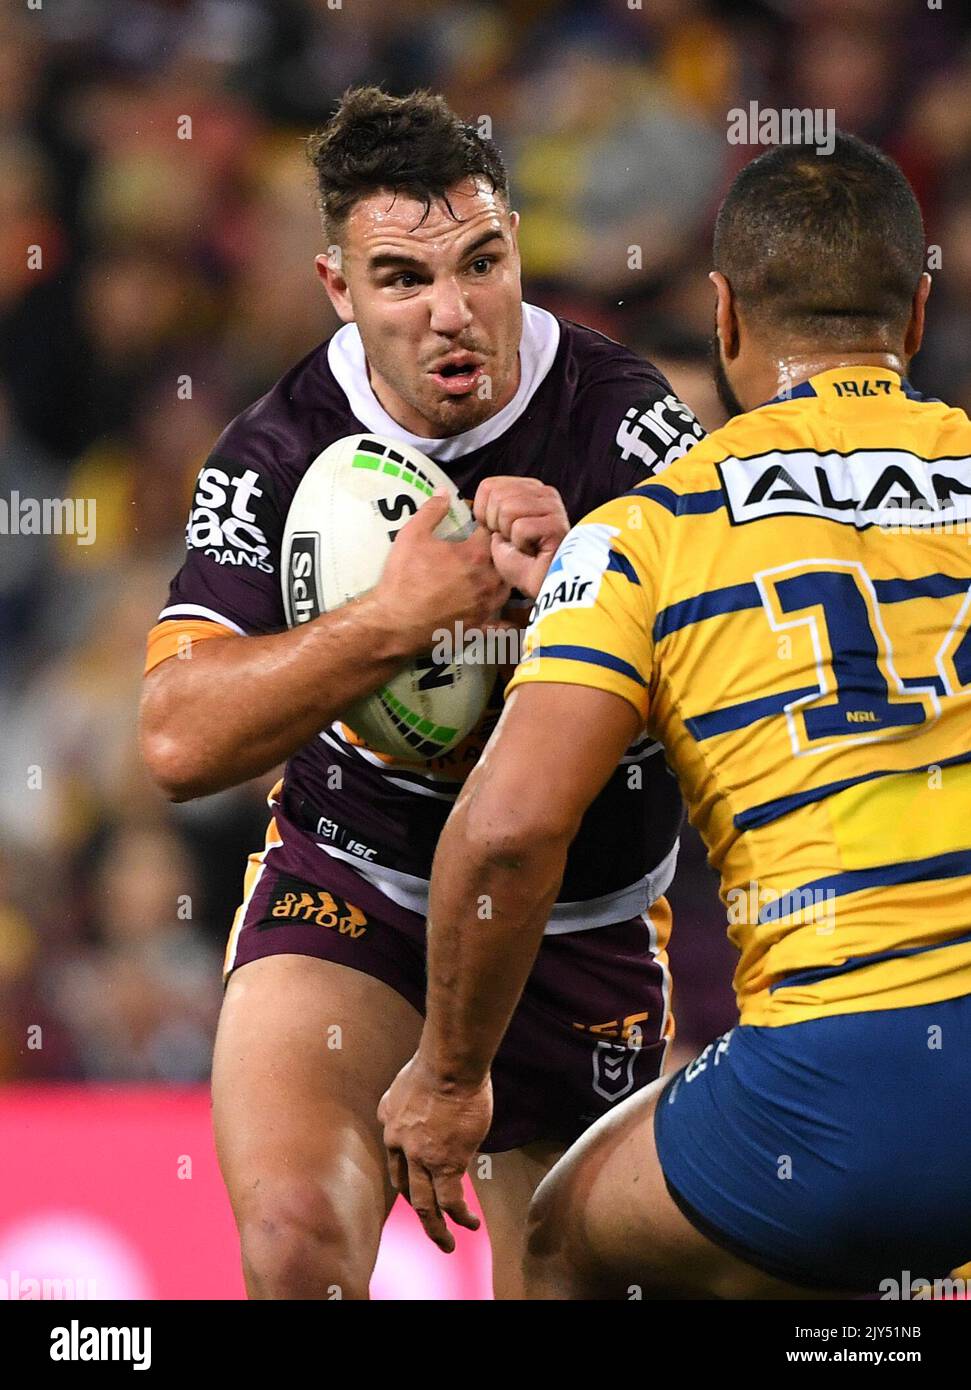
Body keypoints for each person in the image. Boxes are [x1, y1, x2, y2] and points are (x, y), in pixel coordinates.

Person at [379, 133, 971, 1298]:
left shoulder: (653, 530)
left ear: (723, 315)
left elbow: (508, 832)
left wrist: (448, 1082)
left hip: (830, 1082)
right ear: (912, 316)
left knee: (558, 1245)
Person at [138, 86, 705, 1299]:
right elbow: (178, 740)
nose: (453, 313)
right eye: (401, 278)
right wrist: (396, 617)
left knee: (570, 1283)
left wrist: (590, 593)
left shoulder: (629, 429)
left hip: (578, 917)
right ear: (337, 289)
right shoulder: (279, 446)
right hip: (361, 891)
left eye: (482, 263)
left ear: (514, 252)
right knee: (297, 1242)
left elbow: (732, 705)